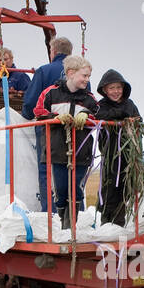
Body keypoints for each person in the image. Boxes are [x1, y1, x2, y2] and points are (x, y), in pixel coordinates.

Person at [33, 54, 99, 230]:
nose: (87, 80)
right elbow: (38, 112)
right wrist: (55, 117)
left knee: (76, 188)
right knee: (61, 189)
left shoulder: (90, 99)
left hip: (81, 151)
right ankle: (64, 223)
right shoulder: (50, 93)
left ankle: (71, 227)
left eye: (89, 76)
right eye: (84, 76)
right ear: (71, 73)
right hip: (57, 150)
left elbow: (99, 114)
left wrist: (87, 115)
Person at [22, 37, 73, 207]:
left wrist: (26, 115)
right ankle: (72, 217)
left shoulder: (44, 71)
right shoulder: (80, 73)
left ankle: (50, 215)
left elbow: (30, 103)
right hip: (74, 129)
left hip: (48, 128)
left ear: (53, 52)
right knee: (72, 170)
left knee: (48, 170)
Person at [93, 69, 141, 226]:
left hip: (128, 156)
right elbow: (101, 116)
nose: (116, 91)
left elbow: (138, 119)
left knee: (124, 189)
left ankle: (119, 224)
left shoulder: (130, 104)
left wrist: (123, 117)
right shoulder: (101, 105)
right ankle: (105, 223)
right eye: (112, 88)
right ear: (105, 90)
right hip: (110, 155)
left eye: (118, 88)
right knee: (109, 188)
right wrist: (121, 115)